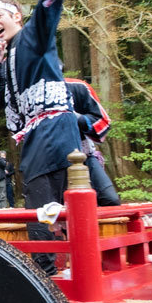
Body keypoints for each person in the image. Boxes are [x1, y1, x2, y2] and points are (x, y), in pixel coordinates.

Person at [0, 0, 81, 275]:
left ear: (17, 16)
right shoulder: (6, 57)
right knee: (59, 199)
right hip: (38, 134)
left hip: (53, 126)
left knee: (43, 202)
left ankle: (47, 268)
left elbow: (50, 3)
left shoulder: (33, 35)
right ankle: (56, 263)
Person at [65, 78, 120, 207]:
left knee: (110, 199)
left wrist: (79, 119)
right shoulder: (28, 92)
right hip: (49, 160)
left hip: (84, 155)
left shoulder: (78, 87)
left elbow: (103, 122)